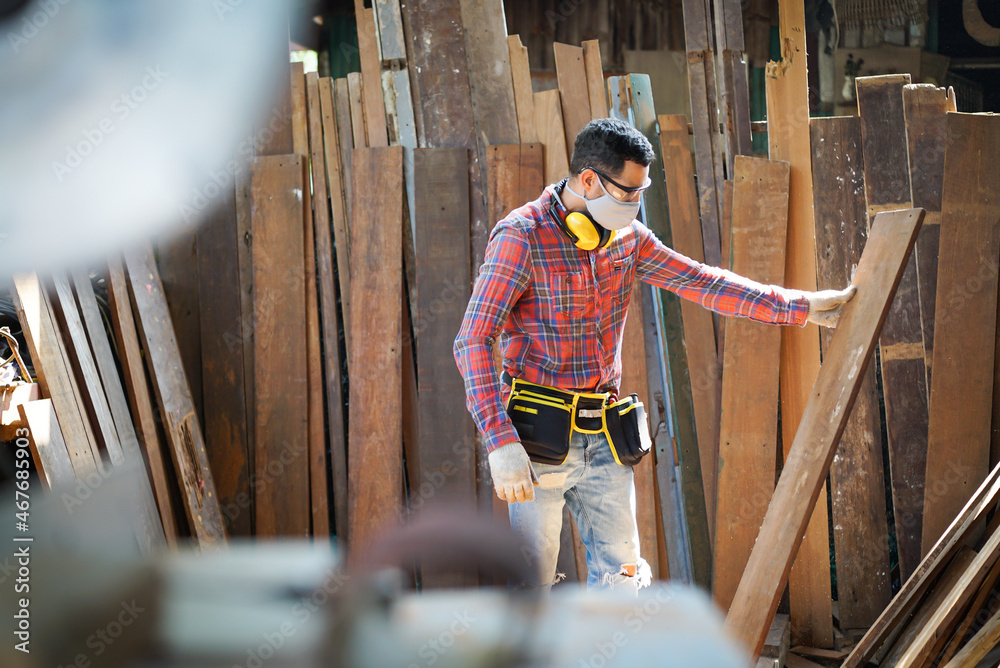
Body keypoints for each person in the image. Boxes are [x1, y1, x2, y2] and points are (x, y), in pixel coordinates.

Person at [453, 118, 855, 594]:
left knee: (623, 580)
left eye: (641, 192)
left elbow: (704, 281)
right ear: (588, 180)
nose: (635, 204)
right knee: (532, 587)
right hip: (537, 441)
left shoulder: (627, 238)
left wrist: (801, 306)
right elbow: (473, 340)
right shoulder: (521, 236)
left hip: (606, 434)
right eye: (628, 192)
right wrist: (500, 442)